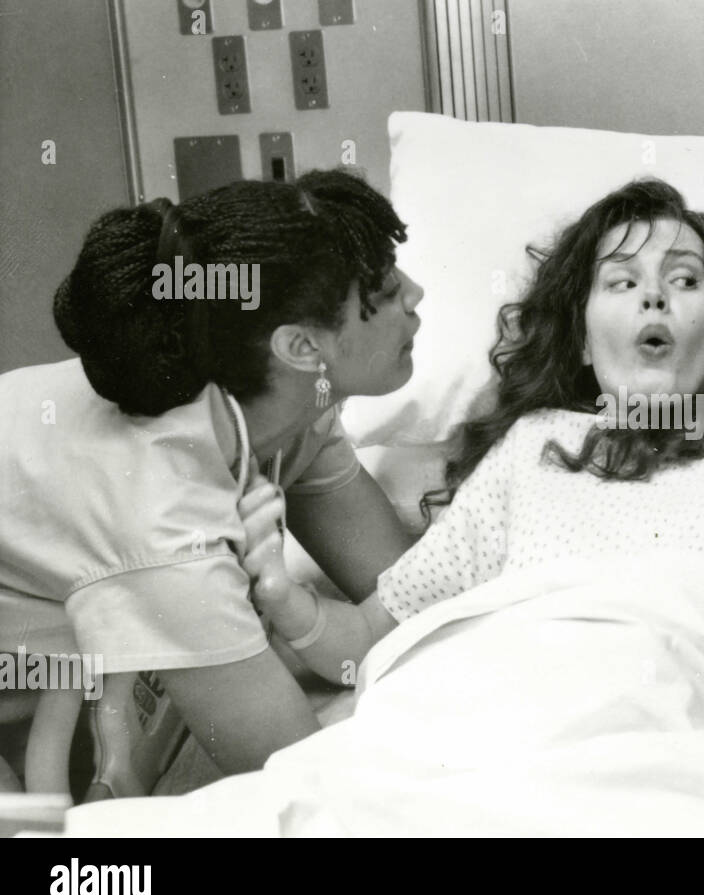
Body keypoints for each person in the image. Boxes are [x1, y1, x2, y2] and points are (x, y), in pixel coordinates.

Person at [237, 177, 704, 699]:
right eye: (622, 283)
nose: (654, 296)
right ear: (579, 340)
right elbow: (364, 646)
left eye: (684, 280)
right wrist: (283, 597)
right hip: (513, 734)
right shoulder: (532, 448)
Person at [0, 170, 422, 789]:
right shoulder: (163, 521)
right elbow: (296, 779)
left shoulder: (284, 401)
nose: (417, 293)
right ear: (300, 346)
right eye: (385, 291)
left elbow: (409, 593)